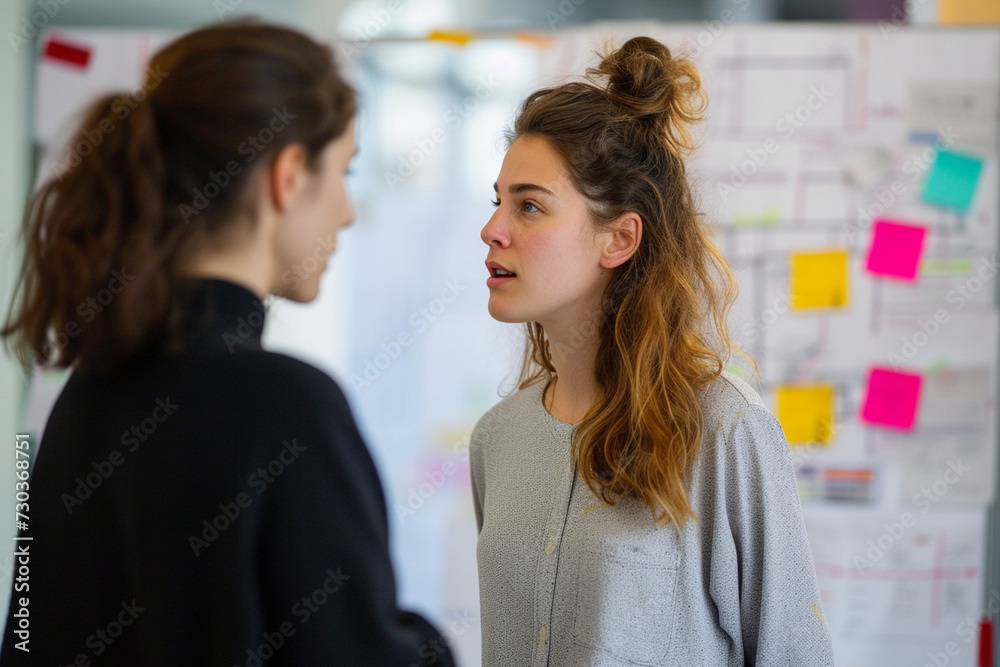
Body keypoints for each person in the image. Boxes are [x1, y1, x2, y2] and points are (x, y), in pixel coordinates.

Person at [0, 21, 455, 666]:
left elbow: (23, 645)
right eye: (343, 171)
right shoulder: (288, 405)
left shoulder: (82, 400)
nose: (348, 212)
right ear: (289, 175)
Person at [471, 36, 834, 666]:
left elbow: (793, 655)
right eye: (497, 202)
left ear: (618, 238)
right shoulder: (497, 437)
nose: (492, 229)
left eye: (529, 205)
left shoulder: (725, 430)